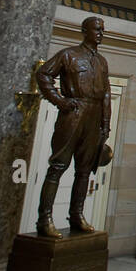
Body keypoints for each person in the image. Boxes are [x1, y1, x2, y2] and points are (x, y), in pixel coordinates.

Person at [34, 17, 112, 238]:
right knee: (58, 165)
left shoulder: (102, 62)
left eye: (102, 30)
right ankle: (45, 218)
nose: (100, 34)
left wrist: (105, 124)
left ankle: (76, 214)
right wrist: (61, 101)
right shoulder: (69, 55)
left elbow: (106, 93)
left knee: (85, 170)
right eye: (96, 29)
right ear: (84, 30)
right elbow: (43, 74)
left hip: (94, 114)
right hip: (74, 112)